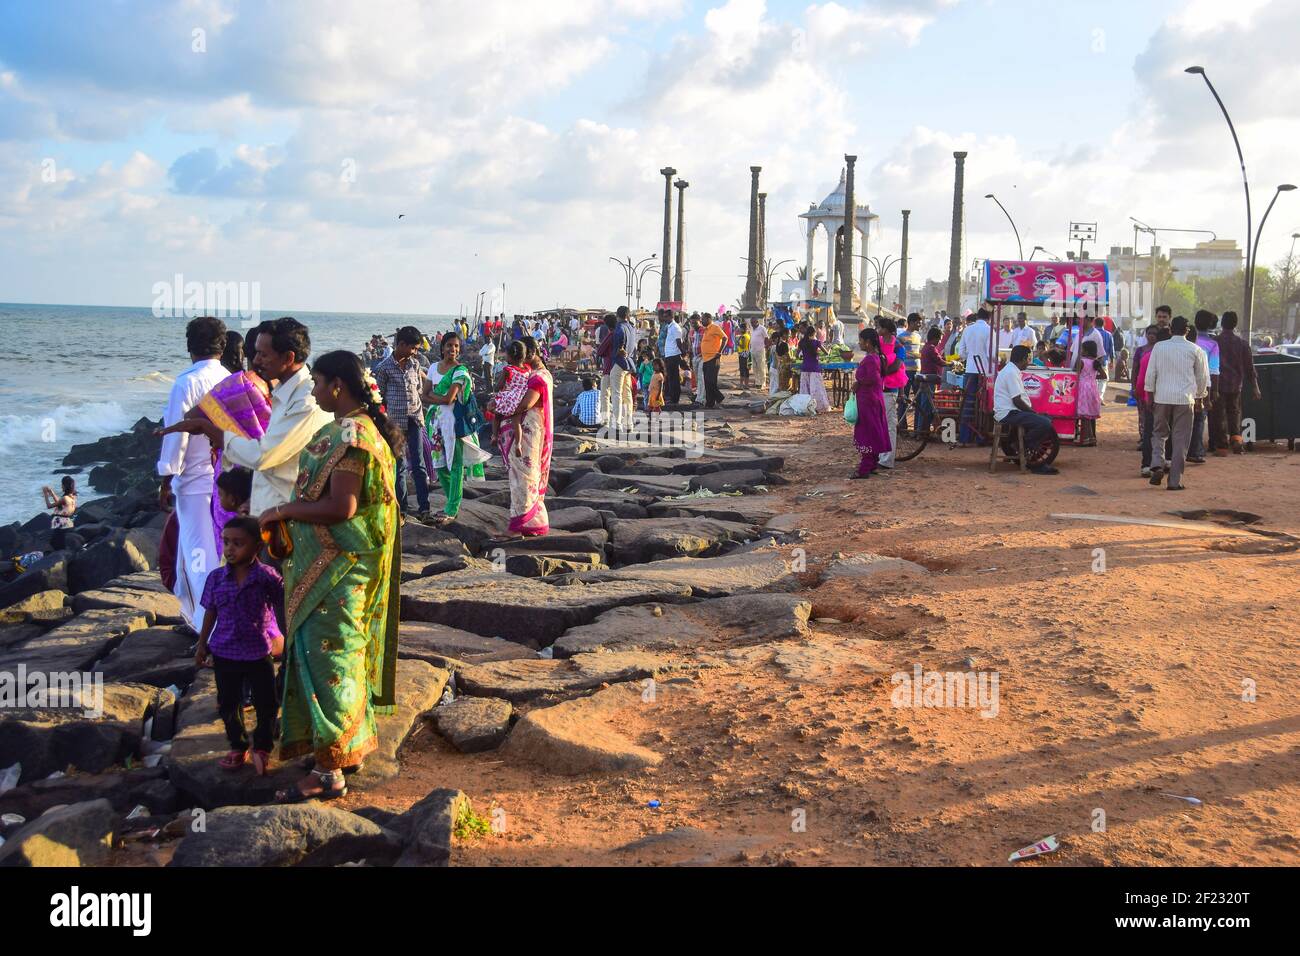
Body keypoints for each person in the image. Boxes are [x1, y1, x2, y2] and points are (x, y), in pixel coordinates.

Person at [257, 350, 401, 801]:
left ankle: (328, 772)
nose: (314, 390)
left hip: (338, 570)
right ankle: (347, 747)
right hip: (344, 567)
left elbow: (343, 508)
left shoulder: (352, 434)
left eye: (318, 382)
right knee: (343, 655)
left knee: (329, 661)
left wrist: (282, 509)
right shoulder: (359, 430)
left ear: (337, 385)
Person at [167, 318, 333, 520]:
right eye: (255, 353)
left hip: (286, 513)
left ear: (288, 358)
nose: (256, 361)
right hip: (268, 505)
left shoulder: (306, 401)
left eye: (263, 355)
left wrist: (207, 428)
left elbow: (263, 456)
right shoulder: (286, 391)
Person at [195, 515, 284, 777]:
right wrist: (202, 645)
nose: (230, 549)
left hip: (259, 650)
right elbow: (210, 611)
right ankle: (238, 745)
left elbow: (284, 601)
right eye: (226, 542)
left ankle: (263, 746)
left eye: (238, 543)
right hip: (225, 651)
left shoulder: (267, 577)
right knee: (228, 702)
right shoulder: (216, 578)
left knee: (267, 703)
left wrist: (285, 639)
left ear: (257, 547)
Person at [157, 316, 230, 632]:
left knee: (198, 554)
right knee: (214, 551)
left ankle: (209, 627)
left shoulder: (185, 382)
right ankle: (211, 622)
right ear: (222, 345)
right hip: (224, 476)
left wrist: (165, 477)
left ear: (190, 347)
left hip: (193, 479)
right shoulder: (230, 378)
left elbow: (176, 436)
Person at [423, 331, 489, 524]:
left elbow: (449, 398)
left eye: (456, 346)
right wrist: (438, 398)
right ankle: (453, 499)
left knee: (456, 464)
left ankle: (451, 508)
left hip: (454, 423)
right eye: (449, 345)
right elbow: (423, 395)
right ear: (442, 347)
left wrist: (435, 397)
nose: (453, 349)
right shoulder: (433, 368)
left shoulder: (460, 371)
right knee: (440, 464)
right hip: (435, 423)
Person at [1146, 315, 1209, 491]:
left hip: (1161, 397)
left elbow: (1151, 373)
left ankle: (1157, 464)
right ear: (1187, 331)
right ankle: (1174, 481)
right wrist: (1199, 397)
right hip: (1184, 399)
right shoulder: (1196, 350)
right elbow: (1202, 377)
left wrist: (1150, 395)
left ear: (1171, 329)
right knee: (1181, 439)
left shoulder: (1159, 347)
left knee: (1159, 433)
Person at [375, 326, 431, 518]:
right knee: (398, 466)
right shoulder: (384, 368)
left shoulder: (414, 365)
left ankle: (425, 507)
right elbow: (379, 397)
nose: (415, 352)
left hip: (415, 419)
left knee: (418, 464)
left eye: (416, 349)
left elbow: (419, 390)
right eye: (413, 348)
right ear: (401, 345)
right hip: (395, 422)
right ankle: (403, 509)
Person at [500, 339, 554, 536]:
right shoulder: (541, 374)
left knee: (522, 477)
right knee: (529, 476)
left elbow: (525, 404)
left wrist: (499, 406)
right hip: (533, 430)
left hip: (528, 433)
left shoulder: (538, 377)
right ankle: (533, 523)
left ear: (530, 353)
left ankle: (517, 526)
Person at [993, 345, 1059, 475]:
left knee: (1046, 418)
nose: (1029, 362)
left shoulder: (1011, 370)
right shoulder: (1011, 372)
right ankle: (1029, 455)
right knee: (1044, 423)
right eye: (1028, 359)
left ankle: (1022, 446)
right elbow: (1017, 401)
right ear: (1023, 359)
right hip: (1009, 413)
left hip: (1012, 411)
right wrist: (1033, 413)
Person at [850, 328, 892, 479]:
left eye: (861, 340)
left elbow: (873, 378)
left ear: (867, 342)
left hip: (868, 401)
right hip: (873, 398)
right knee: (873, 431)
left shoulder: (870, 359)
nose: (859, 343)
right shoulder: (877, 357)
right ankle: (872, 463)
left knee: (867, 433)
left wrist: (858, 382)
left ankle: (865, 468)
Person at [1216, 311, 1260, 454]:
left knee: (1220, 414)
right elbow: (1250, 368)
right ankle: (1236, 442)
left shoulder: (1215, 342)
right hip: (1236, 385)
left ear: (1222, 324)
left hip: (1218, 384)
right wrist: (1255, 388)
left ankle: (1222, 446)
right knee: (1234, 413)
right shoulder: (1242, 344)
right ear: (1235, 325)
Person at [1135, 326, 1171, 477]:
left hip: (1151, 399)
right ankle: (1167, 460)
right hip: (1170, 399)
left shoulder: (1147, 356)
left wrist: (1140, 396)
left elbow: (1141, 380)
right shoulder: (1175, 355)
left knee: (1150, 432)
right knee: (1169, 431)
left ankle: (1147, 465)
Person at [956, 308, 991, 445]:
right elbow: (991, 354)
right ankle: (980, 437)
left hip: (970, 369)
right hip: (985, 372)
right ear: (988, 317)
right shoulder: (990, 330)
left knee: (968, 404)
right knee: (983, 405)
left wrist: (970, 356)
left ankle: (964, 437)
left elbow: (961, 353)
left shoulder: (968, 329)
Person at [1192, 310, 1222, 459]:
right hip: (1203, 386)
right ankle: (1196, 451)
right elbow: (1214, 370)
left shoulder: (1189, 340)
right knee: (1199, 420)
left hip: (1184, 384)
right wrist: (1214, 391)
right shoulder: (1212, 344)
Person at [797, 322, 830, 412]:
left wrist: (803, 355)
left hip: (805, 368)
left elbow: (797, 355)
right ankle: (818, 407)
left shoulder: (801, 342)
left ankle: (805, 407)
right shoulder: (816, 342)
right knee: (816, 389)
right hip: (815, 368)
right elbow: (827, 353)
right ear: (814, 334)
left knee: (805, 389)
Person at [1076, 340, 1103, 446]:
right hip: (1092, 387)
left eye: (1082, 349)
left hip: (1082, 388)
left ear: (1086, 351)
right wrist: (1092, 378)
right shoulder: (1095, 362)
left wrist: (1084, 378)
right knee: (1089, 414)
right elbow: (1104, 375)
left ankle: (1086, 438)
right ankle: (1092, 438)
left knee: (1084, 415)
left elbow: (1076, 373)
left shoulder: (1081, 361)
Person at [42, 476, 79, 551]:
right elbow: (60, 503)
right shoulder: (72, 497)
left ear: (65, 486)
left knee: (56, 544)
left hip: (60, 523)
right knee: (60, 544)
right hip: (67, 522)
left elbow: (49, 506)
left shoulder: (65, 498)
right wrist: (52, 493)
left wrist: (45, 494)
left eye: (62, 484)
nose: (61, 486)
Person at [700, 312, 726, 409]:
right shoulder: (706, 330)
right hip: (705, 359)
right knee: (707, 382)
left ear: (708, 319)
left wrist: (719, 352)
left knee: (711, 381)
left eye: (703, 319)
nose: (701, 321)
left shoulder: (715, 328)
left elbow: (725, 338)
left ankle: (719, 397)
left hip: (713, 358)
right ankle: (709, 403)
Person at [748, 316, 768, 392]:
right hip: (753, 351)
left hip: (760, 350)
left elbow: (766, 338)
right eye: (751, 323)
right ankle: (757, 383)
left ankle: (763, 384)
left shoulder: (762, 328)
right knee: (755, 368)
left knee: (761, 367)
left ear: (757, 322)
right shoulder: (751, 329)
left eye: (753, 322)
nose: (752, 324)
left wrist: (766, 348)